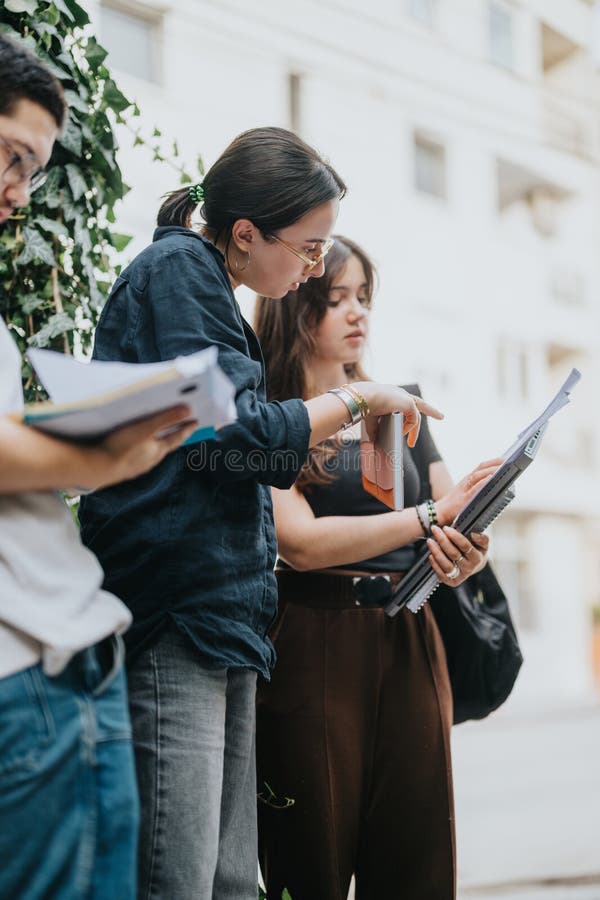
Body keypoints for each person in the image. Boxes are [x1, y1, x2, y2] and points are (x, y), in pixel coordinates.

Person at [77, 128, 442, 900]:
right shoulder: (177, 270)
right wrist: (356, 400)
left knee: (230, 881)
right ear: (245, 235)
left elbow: (216, 447)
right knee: (178, 879)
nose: (314, 267)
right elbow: (233, 441)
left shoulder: (206, 288)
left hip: (222, 617)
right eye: (310, 250)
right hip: (178, 611)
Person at [0, 34, 197, 900]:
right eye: (10, 157)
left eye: (33, 171)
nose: (18, 193)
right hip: (30, 681)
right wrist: (109, 452)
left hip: (66, 669)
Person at [254, 236, 501, 900]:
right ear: (296, 305)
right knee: (313, 858)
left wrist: (467, 552)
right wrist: (428, 518)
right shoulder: (274, 416)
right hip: (313, 635)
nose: (356, 312)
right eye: (336, 299)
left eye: (364, 296)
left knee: (418, 856)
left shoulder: (403, 403)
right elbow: (300, 541)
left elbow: (455, 514)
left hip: (413, 632)